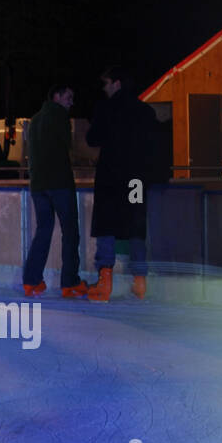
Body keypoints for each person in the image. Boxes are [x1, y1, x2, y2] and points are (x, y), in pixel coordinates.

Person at [86, 66, 159, 301]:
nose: (104, 88)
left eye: (106, 83)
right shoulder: (145, 111)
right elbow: (154, 147)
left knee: (107, 226)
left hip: (111, 178)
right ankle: (140, 282)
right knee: (136, 226)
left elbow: (92, 138)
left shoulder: (106, 108)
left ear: (116, 83)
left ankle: (104, 283)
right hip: (136, 179)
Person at [22, 84, 87, 298]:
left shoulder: (35, 120)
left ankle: (31, 281)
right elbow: (67, 145)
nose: (71, 102)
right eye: (69, 97)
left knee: (43, 231)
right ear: (57, 96)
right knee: (70, 232)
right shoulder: (60, 116)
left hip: (38, 185)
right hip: (60, 183)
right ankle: (69, 282)